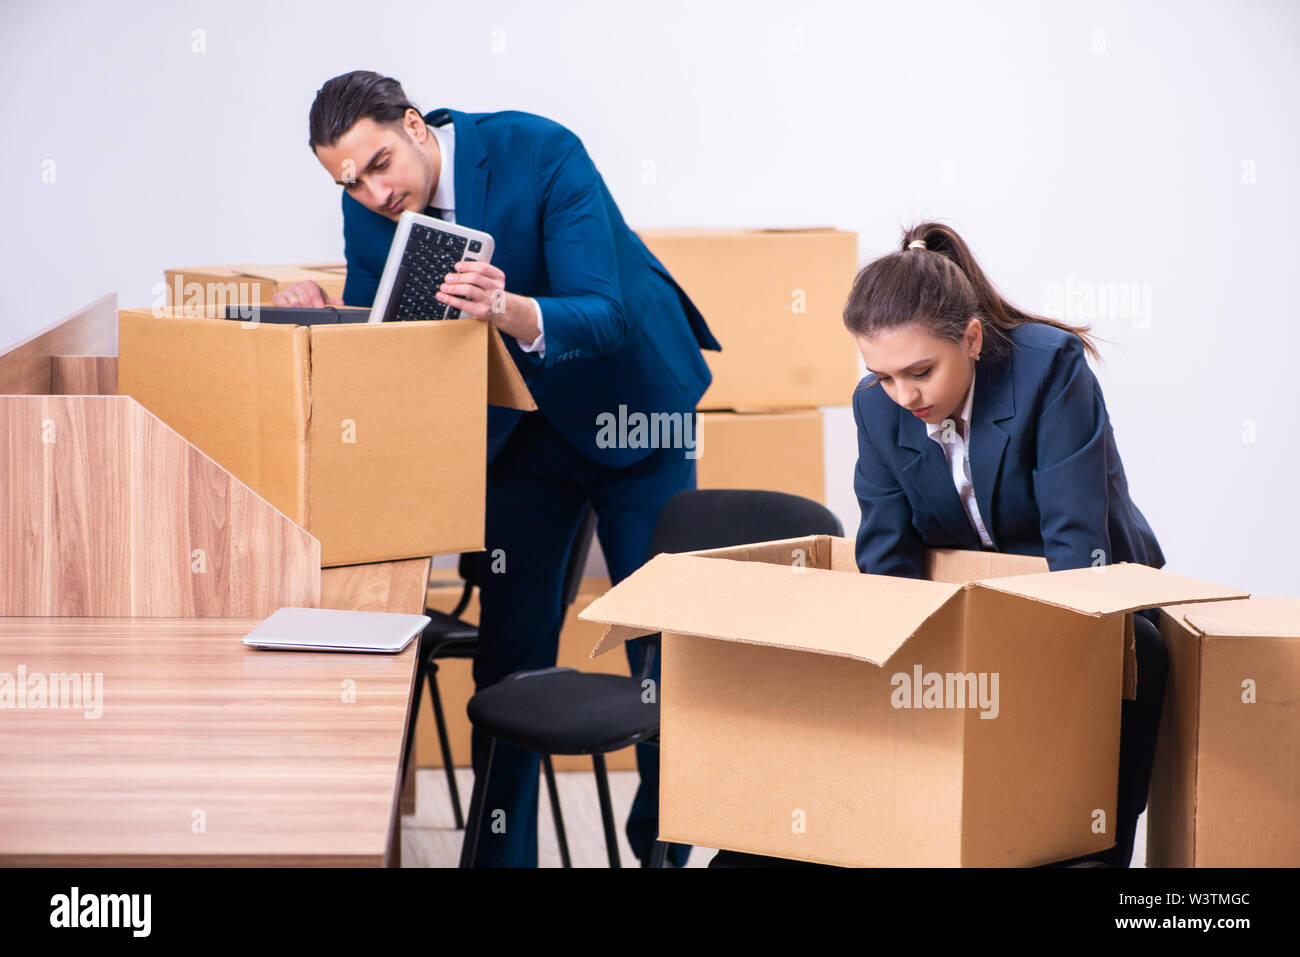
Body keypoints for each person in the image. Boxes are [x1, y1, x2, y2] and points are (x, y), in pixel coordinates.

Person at [280, 70, 720, 867]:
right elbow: (392, 342)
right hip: (519, 433)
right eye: (348, 180)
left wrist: (509, 309)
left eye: (379, 164)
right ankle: (498, 858)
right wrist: (318, 315)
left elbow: (604, 311)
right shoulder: (365, 209)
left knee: (662, 652)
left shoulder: (538, 150)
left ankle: (662, 850)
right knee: (511, 651)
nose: (371, 192)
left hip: (632, 406)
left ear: (415, 126)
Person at [846, 222, 1165, 868]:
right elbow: (886, 559)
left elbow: (1078, 550)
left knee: (1067, 823)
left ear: (971, 338)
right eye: (882, 376)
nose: (902, 395)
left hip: (1089, 613)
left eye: (919, 371)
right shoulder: (877, 408)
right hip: (977, 623)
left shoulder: (1050, 370)